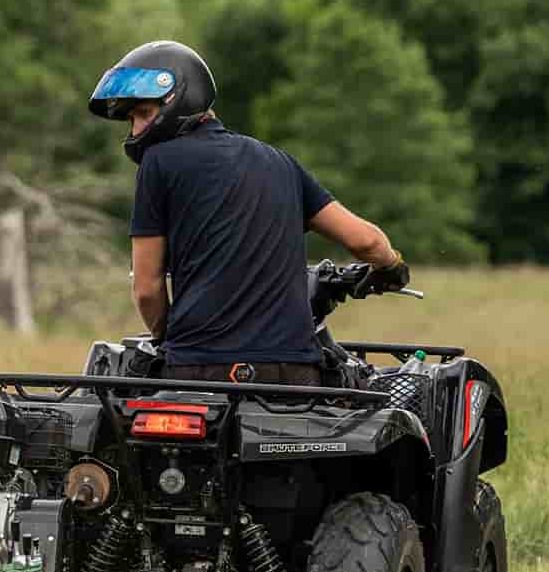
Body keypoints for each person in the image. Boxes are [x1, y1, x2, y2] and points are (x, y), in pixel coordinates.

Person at [88, 41, 410, 385]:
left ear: (178, 98)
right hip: (293, 374)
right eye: (131, 119)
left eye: (143, 114)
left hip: (199, 370)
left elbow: (147, 288)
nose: (135, 130)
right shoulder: (281, 162)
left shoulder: (159, 163)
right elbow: (366, 241)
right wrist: (391, 267)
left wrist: (168, 338)